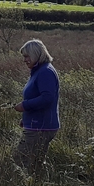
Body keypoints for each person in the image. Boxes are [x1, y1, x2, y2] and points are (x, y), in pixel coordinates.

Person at [13, 39, 60, 176]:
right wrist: (26, 118)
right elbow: (38, 96)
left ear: (36, 54)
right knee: (35, 164)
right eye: (24, 56)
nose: (24, 60)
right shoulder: (39, 70)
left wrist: (24, 106)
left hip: (41, 127)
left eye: (27, 56)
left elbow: (47, 98)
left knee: (18, 161)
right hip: (37, 124)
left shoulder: (45, 72)